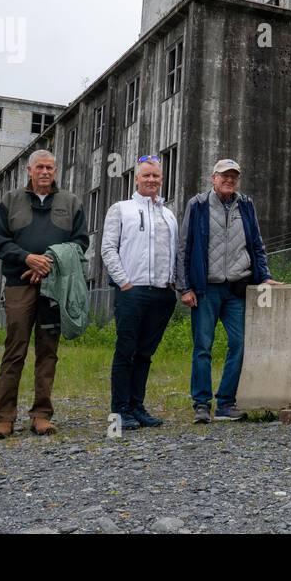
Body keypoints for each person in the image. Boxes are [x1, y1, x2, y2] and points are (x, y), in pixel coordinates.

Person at [0, 150, 88, 439]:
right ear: (29, 171)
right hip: (19, 284)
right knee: (14, 349)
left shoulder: (71, 203)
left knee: (48, 351)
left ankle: (41, 415)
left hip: (54, 289)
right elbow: (0, 242)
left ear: (55, 171)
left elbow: (80, 242)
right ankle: (4, 418)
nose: (45, 172)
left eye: (50, 168)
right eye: (40, 167)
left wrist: (47, 262)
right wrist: (28, 258)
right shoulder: (11, 200)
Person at [176, 159, 279, 423]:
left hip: (236, 288)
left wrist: (264, 275)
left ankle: (225, 403)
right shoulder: (197, 205)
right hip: (206, 289)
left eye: (234, 176)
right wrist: (185, 287)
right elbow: (184, 248)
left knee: (240, 343)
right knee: (203, 347)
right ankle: (201, 404)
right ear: (213, 178)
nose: (229, 180)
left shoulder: (245, 204)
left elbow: (256, 244)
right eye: (224, 176)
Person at [101, 156, 178, 431]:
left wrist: (173, 284)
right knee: (126, 351)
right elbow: (108, 248)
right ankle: (120, 410)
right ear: (136, 178)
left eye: (156, 176)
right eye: (146, 175)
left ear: (161, 178)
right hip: (132, 291)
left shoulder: (169, 214)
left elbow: (174, 252)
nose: (151, 180)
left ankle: (137, 406)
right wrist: (124, 283)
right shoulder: (121, 209)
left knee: (145, 354)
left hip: (162, 294)